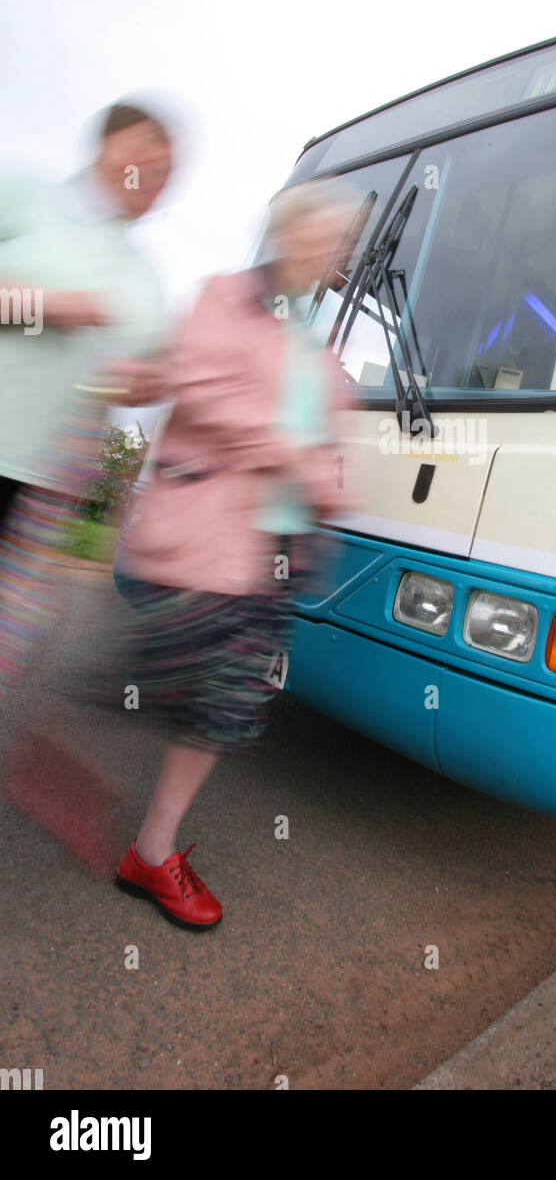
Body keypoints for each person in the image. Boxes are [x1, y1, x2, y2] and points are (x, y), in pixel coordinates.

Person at [111, 178, 359, 930]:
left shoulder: (320, 349)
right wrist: (289, 452)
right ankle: (139, 842)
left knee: (225, 706)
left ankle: (152, 851)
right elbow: (202, 388)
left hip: (270, 554)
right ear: (283, 235)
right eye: (317, 236)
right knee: (161, 683)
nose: (328, 253)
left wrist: (319, 481)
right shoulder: (223, 297)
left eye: (337, 243)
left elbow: (331, 461)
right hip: (206, 536)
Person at [0, 101, 174, 698]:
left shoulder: (144, 273)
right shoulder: (25, 196)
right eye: (144, 149)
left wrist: (148, 382)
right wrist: (48, 307)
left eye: (166, 168)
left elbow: (144, 376)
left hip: (47, 485)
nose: (153, 170)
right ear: (108, 144)